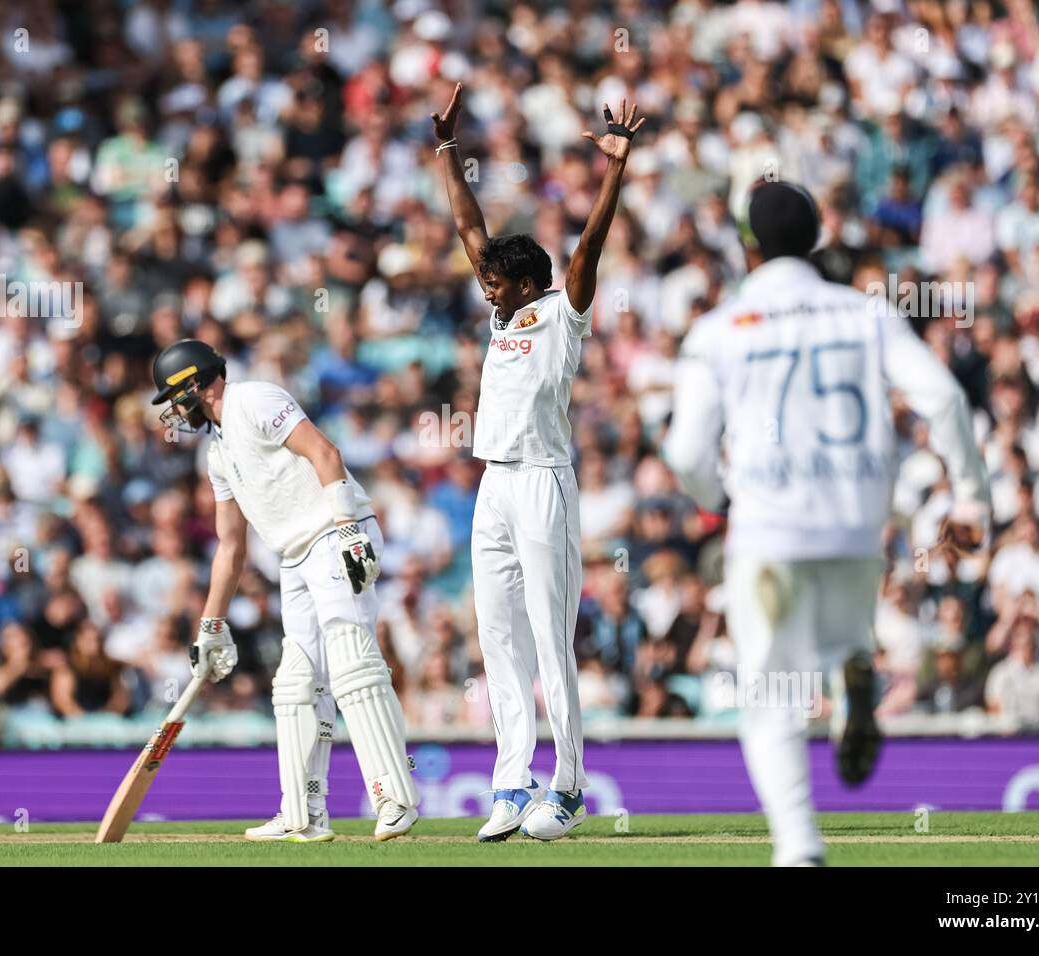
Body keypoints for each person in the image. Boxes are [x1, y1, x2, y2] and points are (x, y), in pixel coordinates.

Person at [663, 180, 990, 865]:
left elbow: (687, 451)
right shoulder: (864, 313)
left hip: (769, 531)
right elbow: (944, 397)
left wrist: (715, 498)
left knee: (769, 689)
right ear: (818, 239)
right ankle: (853, 672)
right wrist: (969, 499)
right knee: (843, 632)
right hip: (855, 523)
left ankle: (800, 847)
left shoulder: (719, 327)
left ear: (748, 245)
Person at [431, 82, 644, 841]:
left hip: (546, 482)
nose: (485, 286)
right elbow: (468, 223)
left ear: (529, 283)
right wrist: (448, 150)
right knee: (498, 637)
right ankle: (510, 782)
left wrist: (615, 167)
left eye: (497, 279)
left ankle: (570, 785)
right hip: (495, 482)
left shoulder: (561, 312)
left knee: (552, 638)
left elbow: (589, 247)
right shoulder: (500, 310)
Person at [149, 338, 418, 843]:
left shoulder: (255, 399)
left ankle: (394, 797)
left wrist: (348, 531)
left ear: (196, 384)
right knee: (297, 683)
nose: (173, 411)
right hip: (294, 557)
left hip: (336, 533)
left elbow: (324, 452)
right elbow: (230, 547)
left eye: (174, 397)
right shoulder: (218, 454)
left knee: (350, 662)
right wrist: (211, 625)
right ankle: (303, 813)